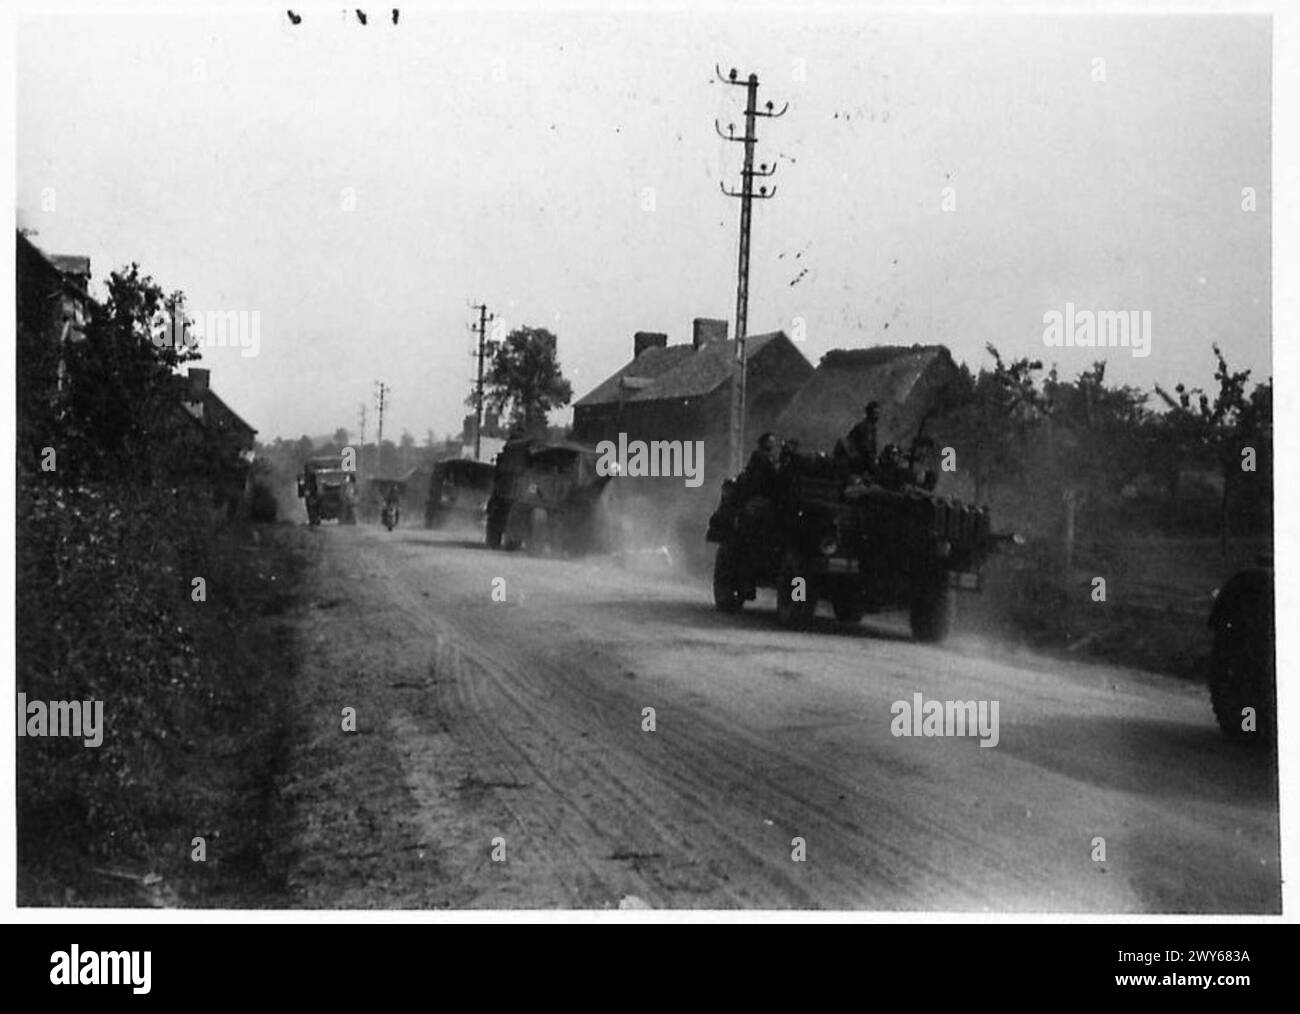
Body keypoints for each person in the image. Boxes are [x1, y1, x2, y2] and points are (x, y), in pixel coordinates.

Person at [846, 402, 881, 475]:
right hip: (861, 463)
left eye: (878, 413)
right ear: (869, 413)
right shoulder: (864, 427)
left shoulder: (872, 428)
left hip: (864, 461)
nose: (876, 416)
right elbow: (865, 449)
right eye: (874, 413)